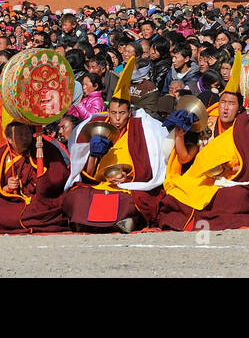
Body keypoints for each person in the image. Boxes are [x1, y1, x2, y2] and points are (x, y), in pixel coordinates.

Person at [156, 52, 249, 230]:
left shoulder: (245, 129)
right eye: (223, 102)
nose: (225, 108)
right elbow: (184, 159)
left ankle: (204, 218)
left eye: (231, 104)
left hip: (229, 181)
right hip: (204, 179)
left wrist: (231, 169)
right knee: (175, 193)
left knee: (235, 198)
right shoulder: (207, 125)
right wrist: (179, 135)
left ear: (239, 109)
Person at [62, 58, 171, 232]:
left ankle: (118, 220)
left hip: (127, 185)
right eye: (113, 113)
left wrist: (127, 179)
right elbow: (88, 175)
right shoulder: (98, 128)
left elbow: (146, 171)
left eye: (122, 113)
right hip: (101, 184)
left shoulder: (140, 129)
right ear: (108, 111)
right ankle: (103, 220)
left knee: (137, 199)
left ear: (129, 112)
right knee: (76, 196)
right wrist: (93, 153)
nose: (117, 118)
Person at [0, 115, 70, 235]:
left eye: (27, 134)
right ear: (9, 139)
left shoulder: (42, 148)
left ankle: (16, 222)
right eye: (20, 135)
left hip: (36, 201)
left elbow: (58, 175)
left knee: (39, 212)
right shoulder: (2, 154)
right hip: (10, 201)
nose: (25, 139)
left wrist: (43, 180)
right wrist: (6, 188)